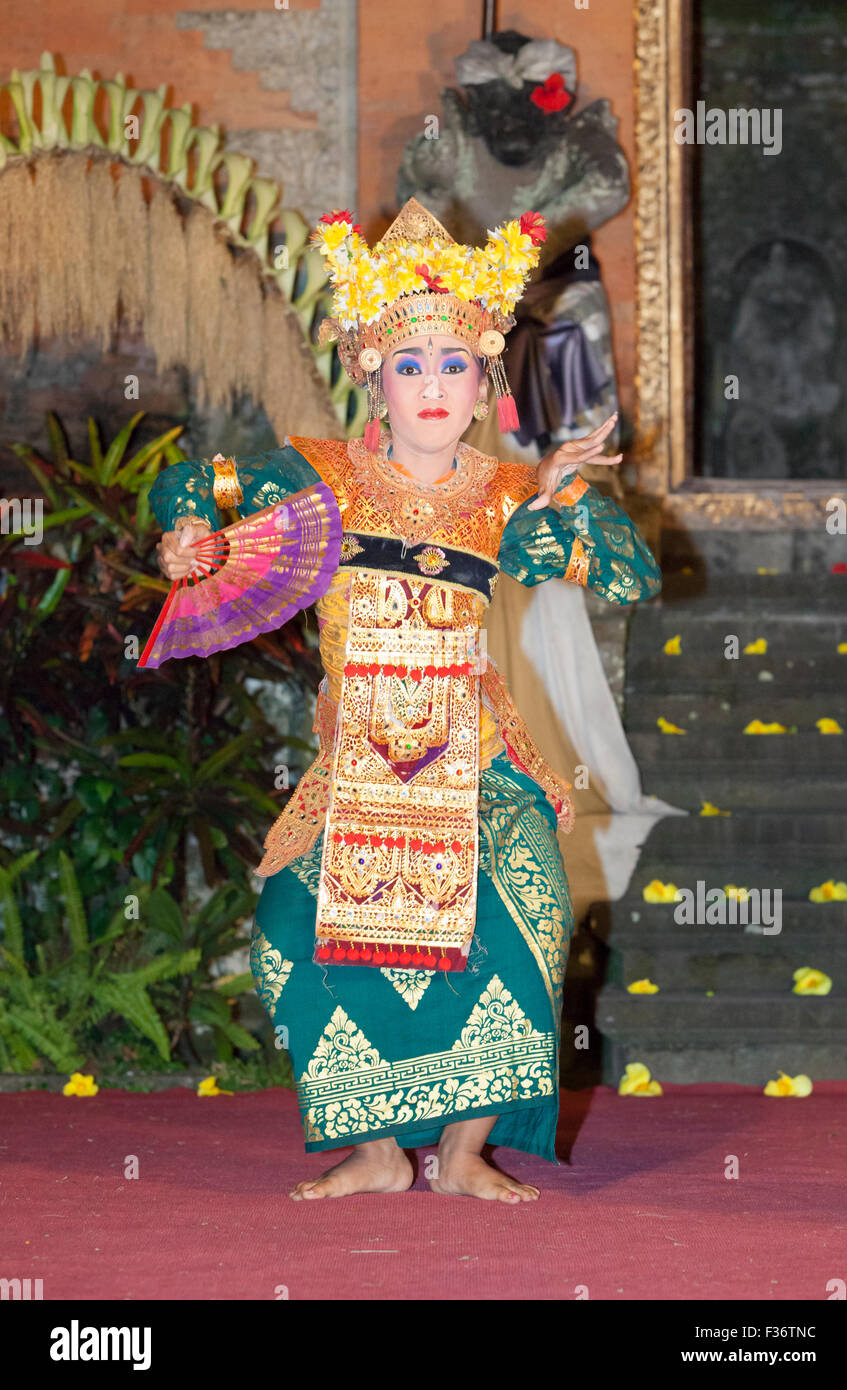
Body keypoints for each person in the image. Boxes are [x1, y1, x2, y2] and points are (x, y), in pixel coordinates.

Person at [150, 198, 661, 1203]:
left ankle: (466, 1152)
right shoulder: (319, 476)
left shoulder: (512, 492)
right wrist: (184, 535)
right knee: (291, 927)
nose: (431, 384)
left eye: (452, 363)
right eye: (409, 362)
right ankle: (379, 1152)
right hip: (357, 768)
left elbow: (632, 575)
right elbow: (190, 480)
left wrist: (567, 503)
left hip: (479, 762)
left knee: (525, 915)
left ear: (482, 383)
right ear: (372, 375)